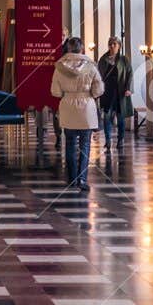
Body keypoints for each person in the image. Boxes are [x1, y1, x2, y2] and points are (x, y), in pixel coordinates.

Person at [50, 37, 103, 191]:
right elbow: (98, 89)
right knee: (85, 145)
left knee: (70, 145)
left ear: (68, 49)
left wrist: (66, 93)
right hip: (86, 108)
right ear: (82, 49)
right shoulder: (91, 66)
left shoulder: (60, 67)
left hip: (68, 108)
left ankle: (72, 179)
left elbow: (55, 91)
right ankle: (82, 179)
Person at [97, 37, 133, 150]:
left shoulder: (124, 60)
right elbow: (99, 76)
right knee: (107, 117)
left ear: (119, 46)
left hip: (120, 92)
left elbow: (129, 74)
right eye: (110, 44)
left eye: (114, 44)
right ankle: (108, 140)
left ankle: (120, 139)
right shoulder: (103, 59)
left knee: (120, 117)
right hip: (107, 92)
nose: (112, 46)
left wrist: (128, 89)